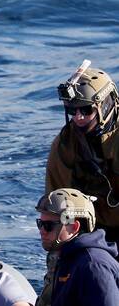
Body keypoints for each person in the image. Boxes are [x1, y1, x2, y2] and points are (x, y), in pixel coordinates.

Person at [46, 62, 119, 242]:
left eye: (86, 110)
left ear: (105, 105)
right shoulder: (65, 144)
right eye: (72, 110)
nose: (78, 117)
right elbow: (56, 199)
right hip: (90, 229)